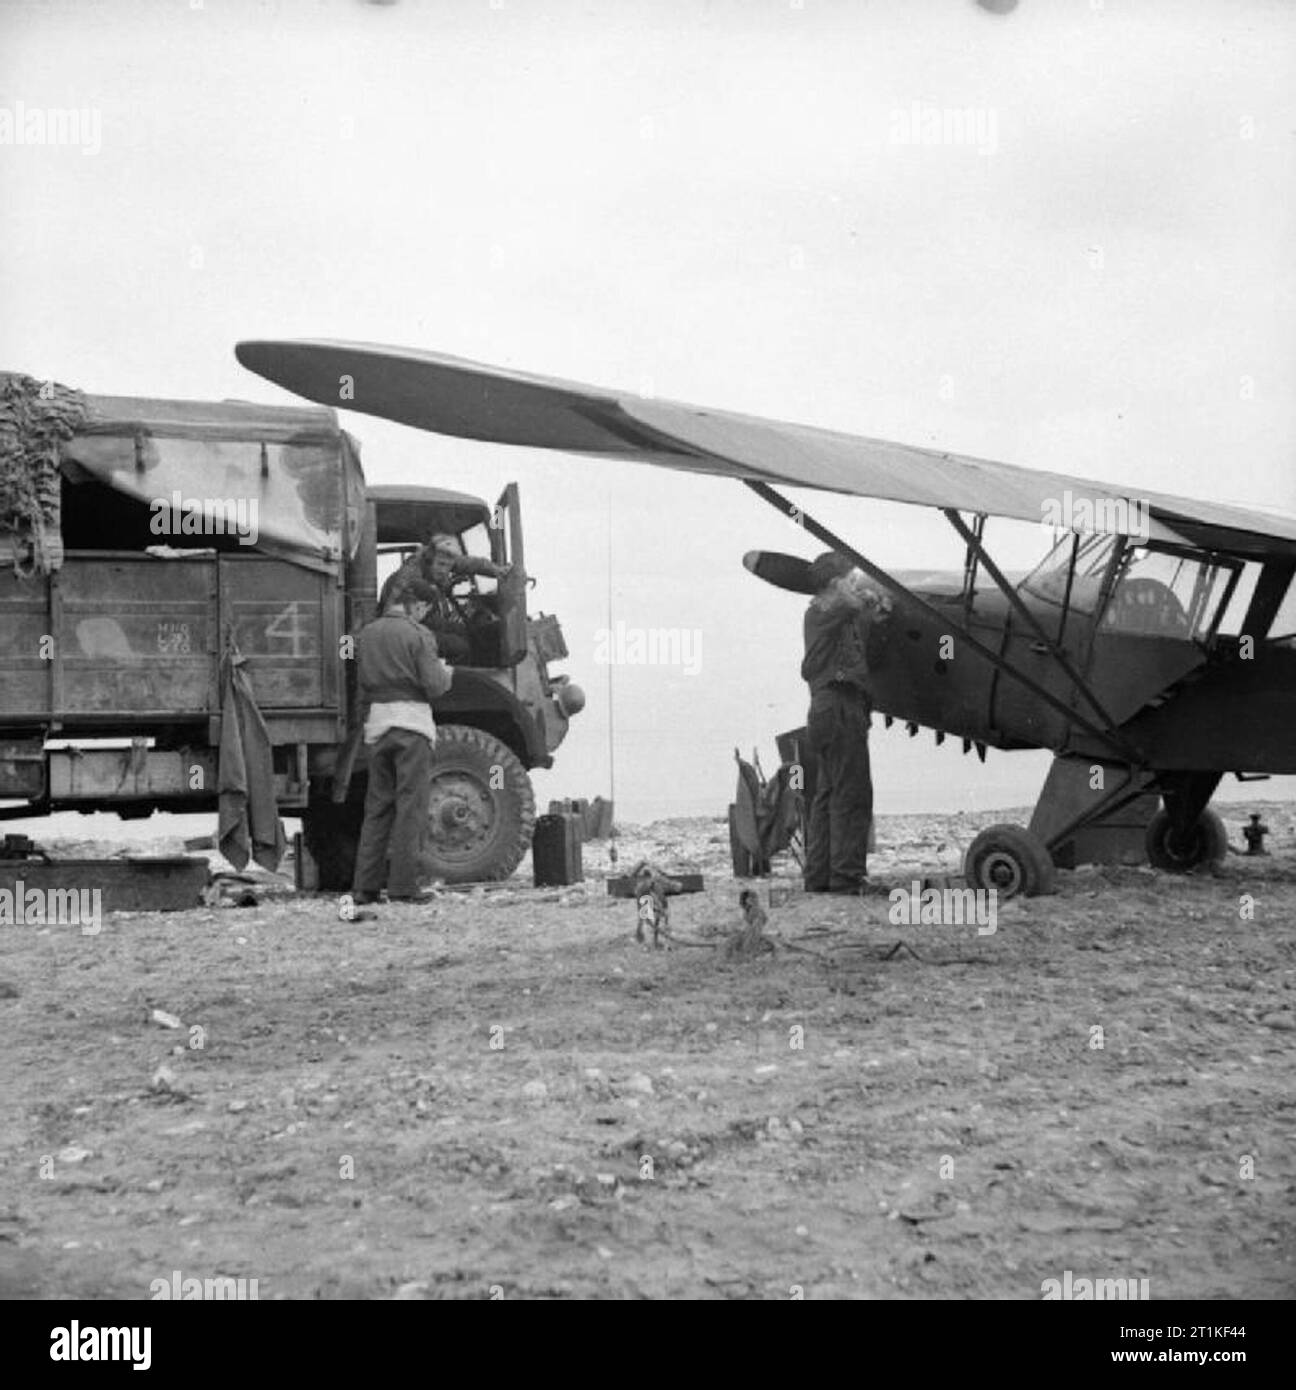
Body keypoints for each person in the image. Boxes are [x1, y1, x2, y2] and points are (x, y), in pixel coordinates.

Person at [350, 577, 454, 904]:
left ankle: (364, 888)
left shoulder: (366, 634)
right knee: (411, 806)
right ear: (419, 606)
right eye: (426, 610)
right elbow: (435, 686)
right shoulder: (419, 635)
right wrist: (446, 673)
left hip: (377, 726)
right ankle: (404, 886)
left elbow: (354, 665)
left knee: (377, 807)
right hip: (412, 726)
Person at [800, 551, 889, 894]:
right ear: (836, 585)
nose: (857, 587)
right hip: (839, 708)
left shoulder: (830, 617)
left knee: (827, 794)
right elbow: (852, 606)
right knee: (851, 793)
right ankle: (847, 877)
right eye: (850, 581)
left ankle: (819, 877)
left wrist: (876, 607)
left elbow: (860, 618)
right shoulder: (825, 611)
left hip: (828, 711)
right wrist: (864, 594)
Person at [378, 533, 510, 664]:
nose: (443, 571)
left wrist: (497, 570)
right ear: (429, 560)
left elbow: (471, 563)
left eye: (448, 566)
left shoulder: (440, 559)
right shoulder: (408, 579)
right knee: (460, 646)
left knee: (467, 633)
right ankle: (446, 678)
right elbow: (393, 616)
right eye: (440, 564)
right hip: (402, 631)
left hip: (422, 620)